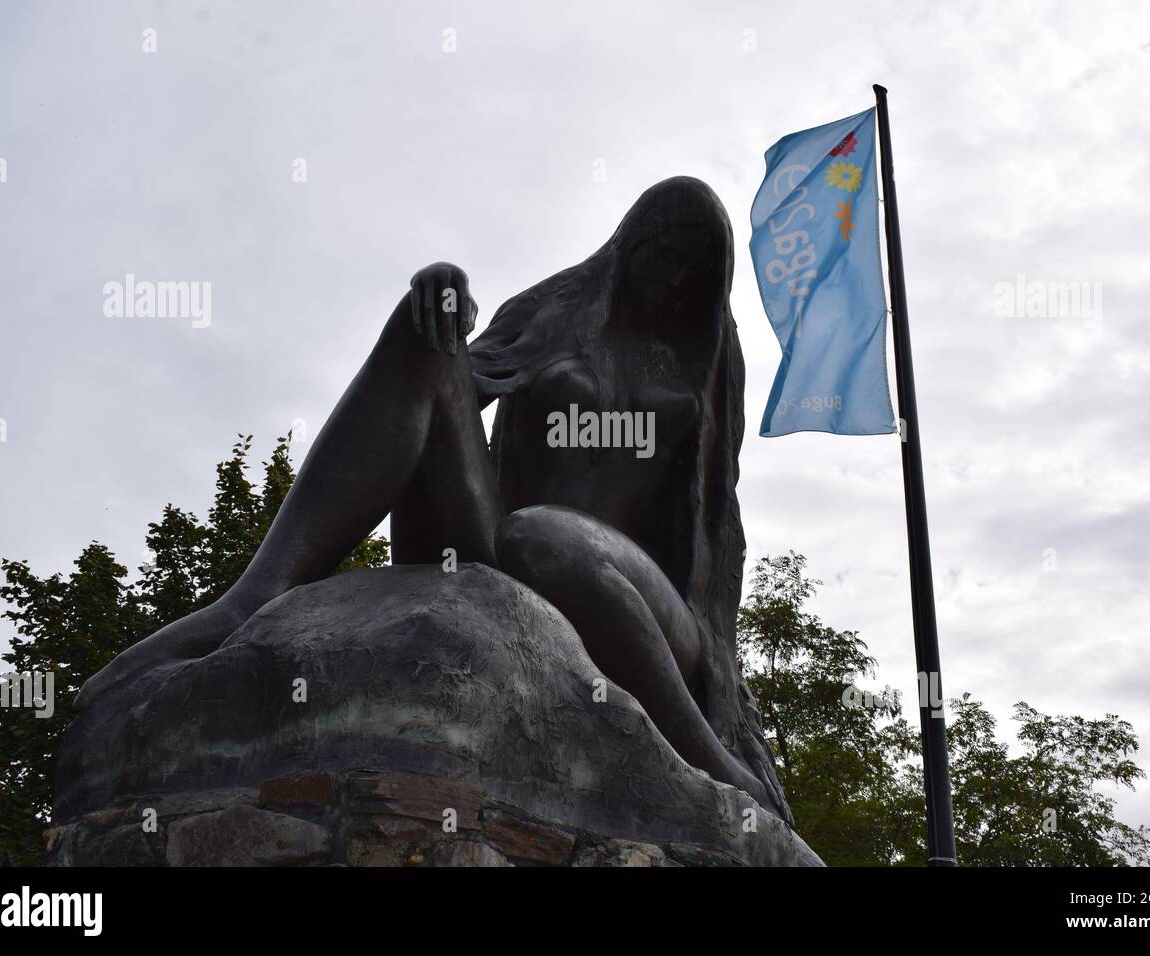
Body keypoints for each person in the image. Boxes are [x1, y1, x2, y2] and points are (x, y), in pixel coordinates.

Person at [78, 176, 792, 824]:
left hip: (648, 605)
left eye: (692, 270)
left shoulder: (708, 359)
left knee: (543, 535)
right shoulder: (555, 315)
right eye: (663, 253)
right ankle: (254, 596)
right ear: (632, 240)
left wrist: (720, 683)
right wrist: (438, 288)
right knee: (428, 334)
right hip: (504, 554)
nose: (672, 279)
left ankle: (706, 760)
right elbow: (452, 384)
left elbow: (712, 534)